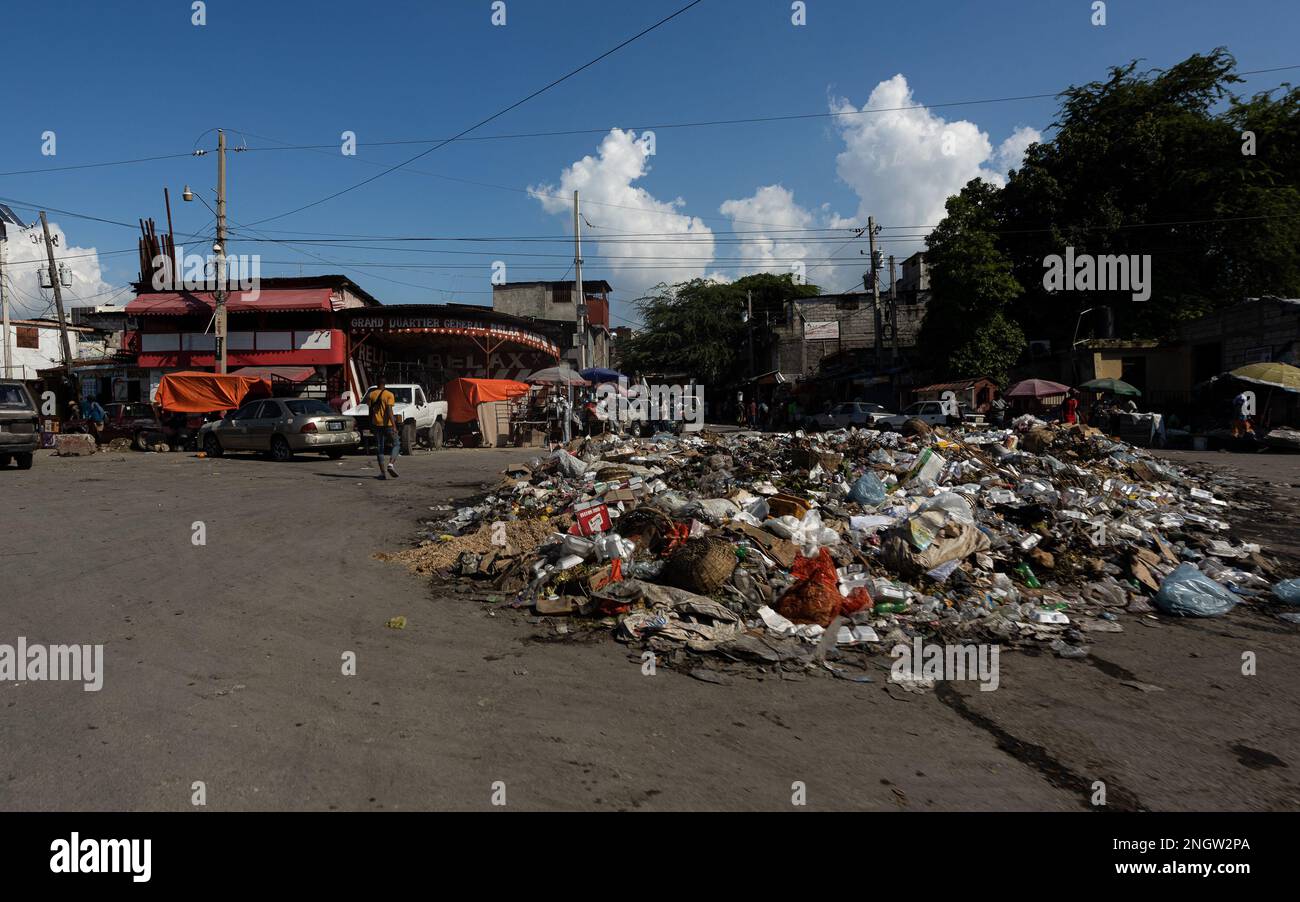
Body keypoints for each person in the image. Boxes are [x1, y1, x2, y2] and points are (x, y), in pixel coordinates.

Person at [366, 377, 400, 479]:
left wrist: (370, 424)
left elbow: (370, 411)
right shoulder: (389, 394)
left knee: (380, 447)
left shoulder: (371, 394)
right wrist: (394, 425)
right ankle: (390, 464)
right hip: (388, 424)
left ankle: (382, 473)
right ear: (385, 384)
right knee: (396, 444)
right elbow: (389, 410)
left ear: (377, 384)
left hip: (376, 425)